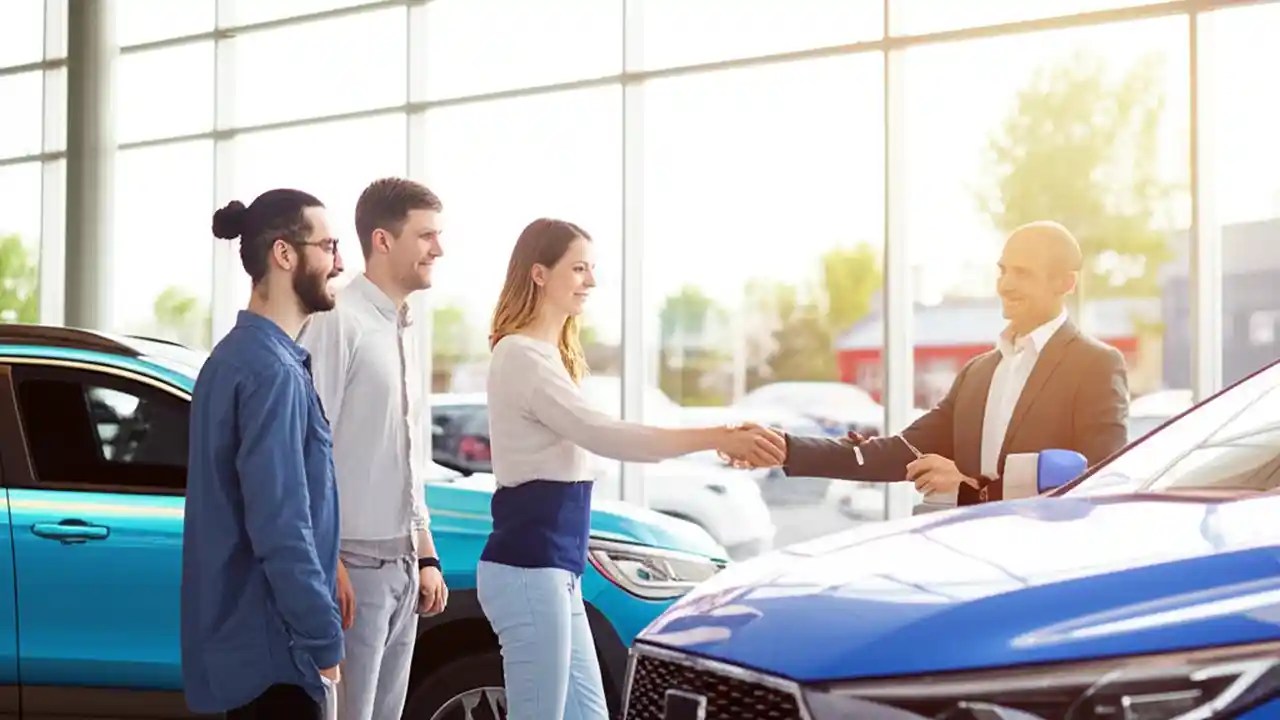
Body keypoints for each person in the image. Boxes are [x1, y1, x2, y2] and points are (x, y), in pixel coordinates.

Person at [478, 218, 786, 720]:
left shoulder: (548, 357)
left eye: (591, 269)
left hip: (554, 570)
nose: (590, 282)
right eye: (578, 268)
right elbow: (606, 434)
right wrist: (715, 436)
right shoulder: (521, 356)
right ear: (539, 273)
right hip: (529, 569)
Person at [776, 220, 1129, 504]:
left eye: (1023, 273)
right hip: (968, 558)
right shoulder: (978, 373)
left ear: (1066, 282)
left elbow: (1099, 479)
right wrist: (786, 448)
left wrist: (969, 488)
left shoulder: (1096, 364)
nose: (1005, 284)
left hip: (1043, 570)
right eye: (1003, 270)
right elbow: (901, 451)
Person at [181, 188, 346, 719]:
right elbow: (281, 523)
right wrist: (323, 637)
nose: (339, 262)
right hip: (275, 654)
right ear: (284, 254)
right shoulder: (270, 371)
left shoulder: (237, 358)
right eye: (328, 246)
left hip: (244, 650)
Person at [297, 177, 448, 720]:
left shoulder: (402, 327)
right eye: (426, 235)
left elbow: (402, 455)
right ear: (383, 240)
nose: (439, 249)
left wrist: (425, 553)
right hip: (353, 566)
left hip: (403, 564)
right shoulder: (338, 320)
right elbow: (308, 446)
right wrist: (328, 557)